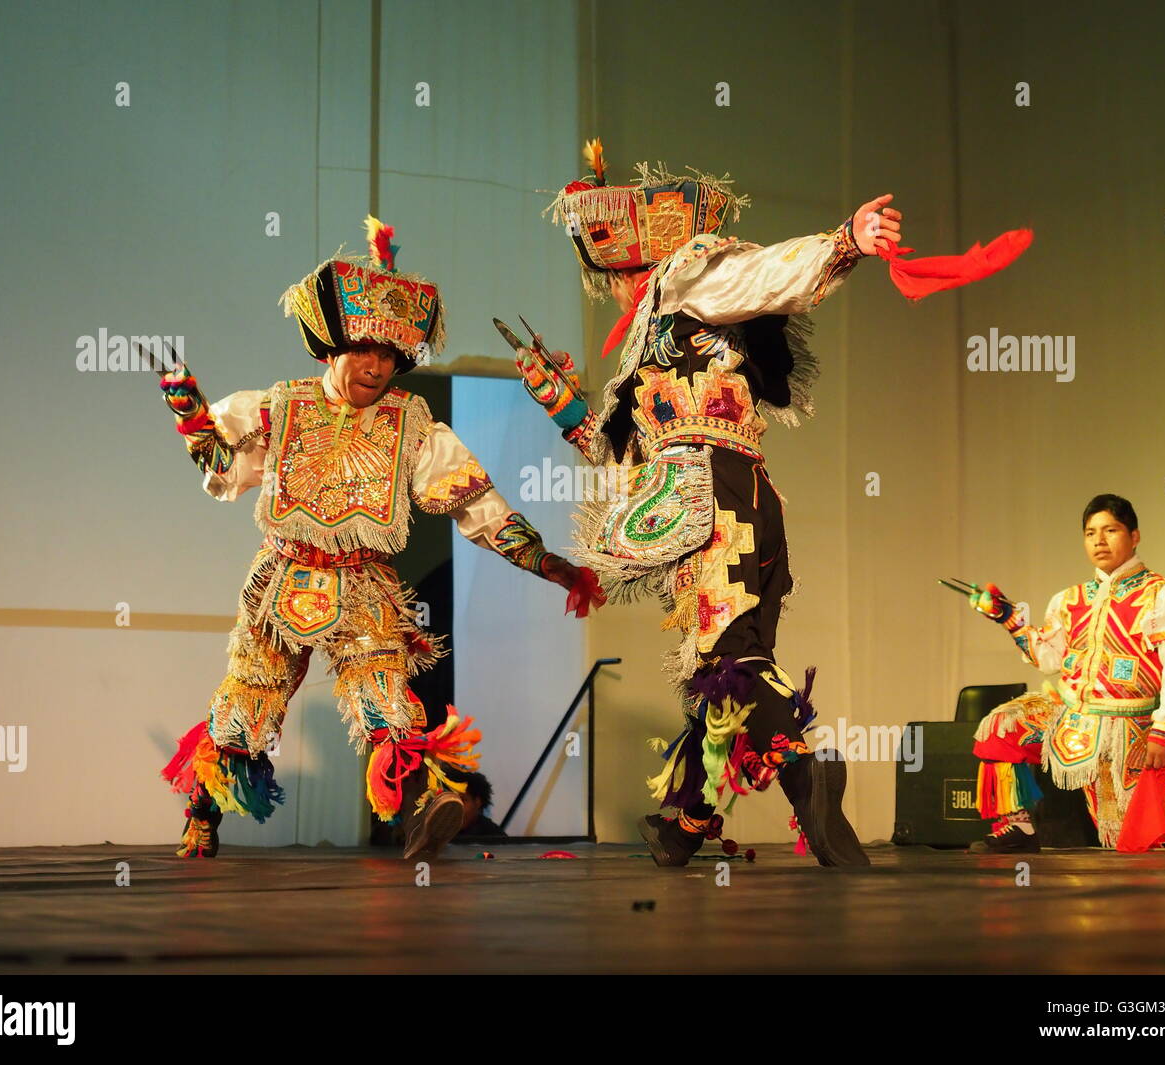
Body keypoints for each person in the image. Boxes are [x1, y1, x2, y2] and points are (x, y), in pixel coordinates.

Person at [157, 217, 601, 861]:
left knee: (391, 709)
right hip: (280, 579)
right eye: (364, 350)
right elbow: (223, 472)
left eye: (390, 355)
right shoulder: (277, 408)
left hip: (366, 586)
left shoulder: (413, 424)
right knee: (244, 712)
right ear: (330, 348)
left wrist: (544, 560)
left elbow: (473, 500)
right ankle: (202, 814)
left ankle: (423, 812)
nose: (377, 365)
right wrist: (194, 422)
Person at [514, 141, 904, 866]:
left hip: (711, 497)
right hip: (737, 495)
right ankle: (685, 820)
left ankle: (805, 771)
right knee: (726, 662)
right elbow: (626, 449)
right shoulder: (658, 331)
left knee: (729, 657)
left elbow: (757, 274)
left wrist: (841, 242)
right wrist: (562, 404)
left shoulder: (689, 272)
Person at [965, 493, 1165, 851]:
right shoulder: (1070, 598)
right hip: (1072, 716)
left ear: (1134, 536)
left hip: (1128, 723)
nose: (1099, 540)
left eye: (1110, 530)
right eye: (1091, 532)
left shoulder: (1161, 594)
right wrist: (1009, 620)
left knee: (1129, 842)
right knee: (1001, 726)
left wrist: (1163, 730)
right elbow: (1049, 661)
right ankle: (1020, 827)